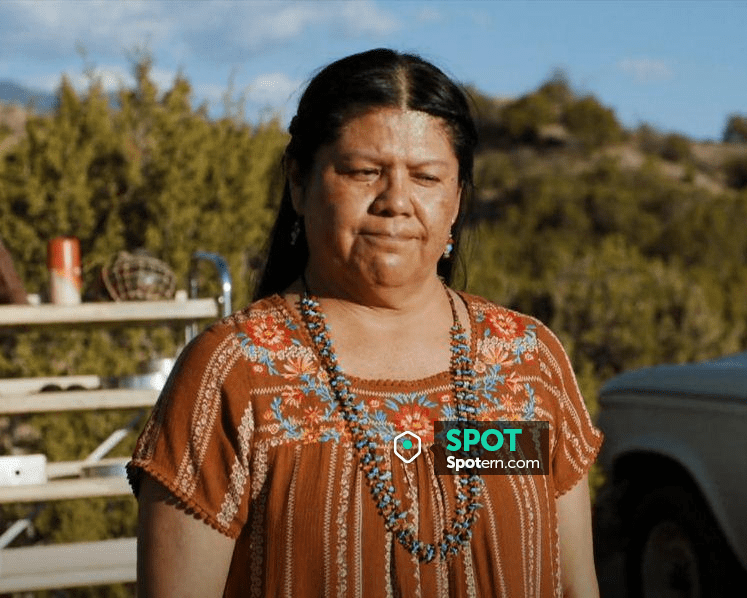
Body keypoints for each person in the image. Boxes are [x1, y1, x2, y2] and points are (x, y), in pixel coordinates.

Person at [127, 48, 603, 597]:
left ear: (457, 201)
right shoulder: (234, 374)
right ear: (299, 183)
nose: (396, 201)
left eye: (425, 177)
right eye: (362, 172)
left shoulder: (527, 359)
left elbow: (576, 585)